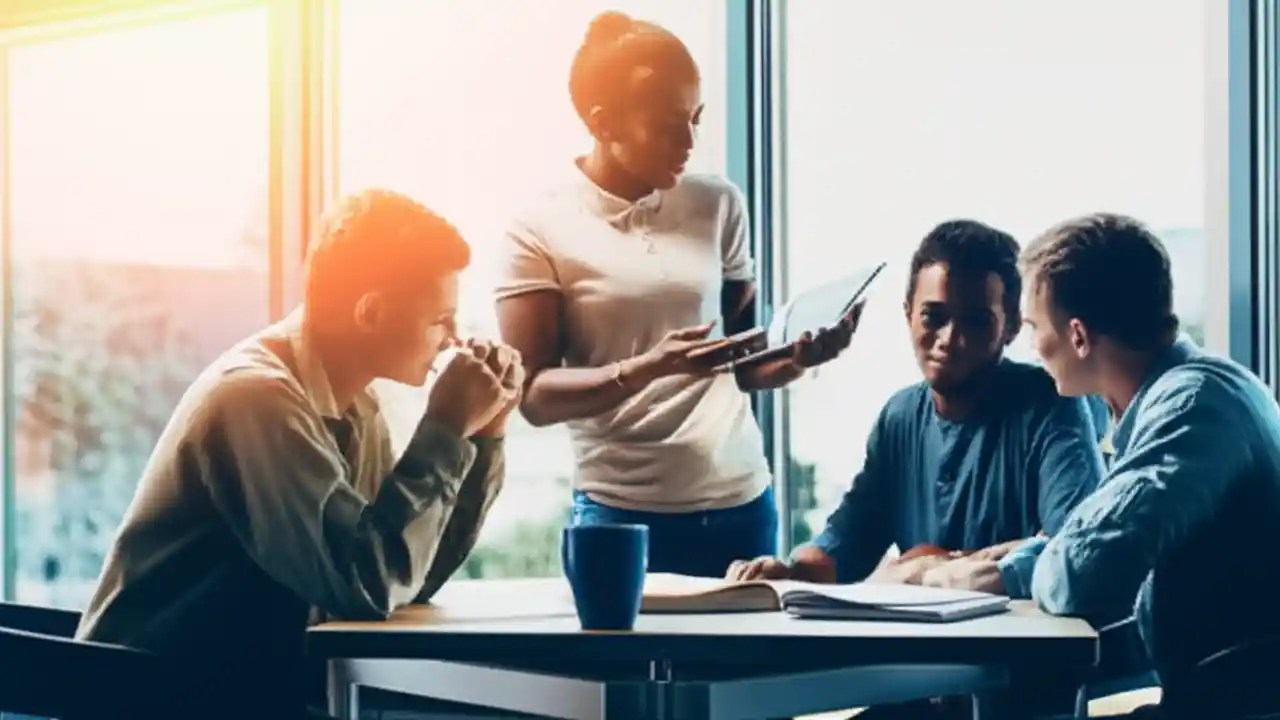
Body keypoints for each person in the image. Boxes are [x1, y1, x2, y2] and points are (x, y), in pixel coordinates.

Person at [76, 189, 521, 717]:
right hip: (152, 699)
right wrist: (445, 427)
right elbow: (366, 583)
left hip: (236, 693)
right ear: (371, 312)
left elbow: (404, 578)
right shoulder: (257, 400)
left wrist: (482, 434)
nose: (453, 341)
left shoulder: (359, 407)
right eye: (441, 320)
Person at [493, 11, 854, 578]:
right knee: (629, 671)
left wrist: (797, 358)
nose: (689, 141)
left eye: (696, 118)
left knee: (737, 669)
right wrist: (646, 368)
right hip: (618, 517)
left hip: (742, 506)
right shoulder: (539, 227)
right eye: (667, 124)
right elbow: (532, 396)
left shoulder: (718, 204)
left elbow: (738, 364)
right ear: (603, 122)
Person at [727, 220, 1103, 590]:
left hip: (1020, 645)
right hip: (923, 643)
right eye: (933, 317)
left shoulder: (1050, 404)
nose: (949, 339)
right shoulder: (901, 416)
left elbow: (1076, 552)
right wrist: (784, 572)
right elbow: (847, 542)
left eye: (976, 322)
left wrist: (924, 566)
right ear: (908, 313)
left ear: (1010, 329)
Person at [1007, 212, 1280, 718]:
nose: (1031, 347)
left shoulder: (1192, 407)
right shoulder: (1196, 394)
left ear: (1079, 335)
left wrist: (1018, 570)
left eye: (1032, 327)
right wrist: (1018, 565)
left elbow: (1081, 577)